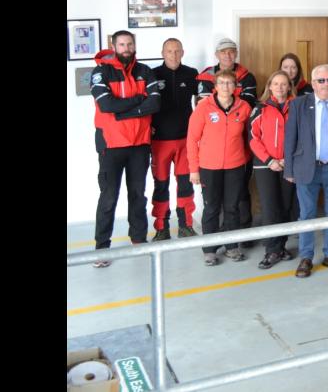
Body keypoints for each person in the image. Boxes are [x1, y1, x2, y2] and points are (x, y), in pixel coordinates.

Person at [90, 30, 163, 266]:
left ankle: (138, 240)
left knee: (137, 194)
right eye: (121, 44)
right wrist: (139, 100)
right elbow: (106, 104)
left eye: (130, 44)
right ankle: (102, 248)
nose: (126, 48)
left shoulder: (144, 71)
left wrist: (123, 113)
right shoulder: (100, 71)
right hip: (111, 145)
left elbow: (155, 102)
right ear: (114, 46)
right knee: (109, 196)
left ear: (134, 45)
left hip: (140, 144)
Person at [284, 65, 328, 278]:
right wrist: (289, 168)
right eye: (321, 80)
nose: (326, 84)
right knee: (307, 214)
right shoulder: (298, 104)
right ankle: (306, 257)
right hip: (307, 168)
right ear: (313, 83)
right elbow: (290, 139)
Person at [186, 69, 252, 266]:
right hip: (209, 167)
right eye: (221, 83)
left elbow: (249, 137)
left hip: (235, 165)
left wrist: (245, 160)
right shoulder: (203, 107)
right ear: (215, 86)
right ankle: (209, 249)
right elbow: (192, 139)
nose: (225, 87)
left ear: (235, 87)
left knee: (232, 207)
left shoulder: (244, 107)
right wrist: (193, 169)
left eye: (230, 83)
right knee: (212, 207)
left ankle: (231, 247)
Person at [196, 37, 258, 241]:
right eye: (224, 52)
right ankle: (212, 243)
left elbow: (246, 106)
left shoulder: (248, 77)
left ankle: (242, 235)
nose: (228, 55)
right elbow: (201, 104)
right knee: (213, 204)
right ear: (217, 55)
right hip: (211, 157)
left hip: (240, 151)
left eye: (232, 51)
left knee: (239, 196)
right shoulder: (205, 77)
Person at [149, 38, 198, 241]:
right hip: (159, 141)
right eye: (169, 51)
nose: (173, 54)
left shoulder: (192, 73)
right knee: (161, 185)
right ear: (163, 53)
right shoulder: (152, 74)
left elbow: (204, 102)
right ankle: (162, 227)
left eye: (177, 51)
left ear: (183, 52)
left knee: (185, 184)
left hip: (185, 140)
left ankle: (186, 225)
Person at [249, 71, 297, 269]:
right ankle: (271, 250)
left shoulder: (297, 107)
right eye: (275, 84)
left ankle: (282, 246)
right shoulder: (260, 109)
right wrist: (270, 160)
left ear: (289, 87)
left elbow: (303, 136)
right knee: (270, 208)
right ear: (269, 86)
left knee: (286, 206)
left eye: (283, 84)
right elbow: (253, 138)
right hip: (265, 165)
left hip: (289, 164)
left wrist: (289, 159)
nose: (279, 87)